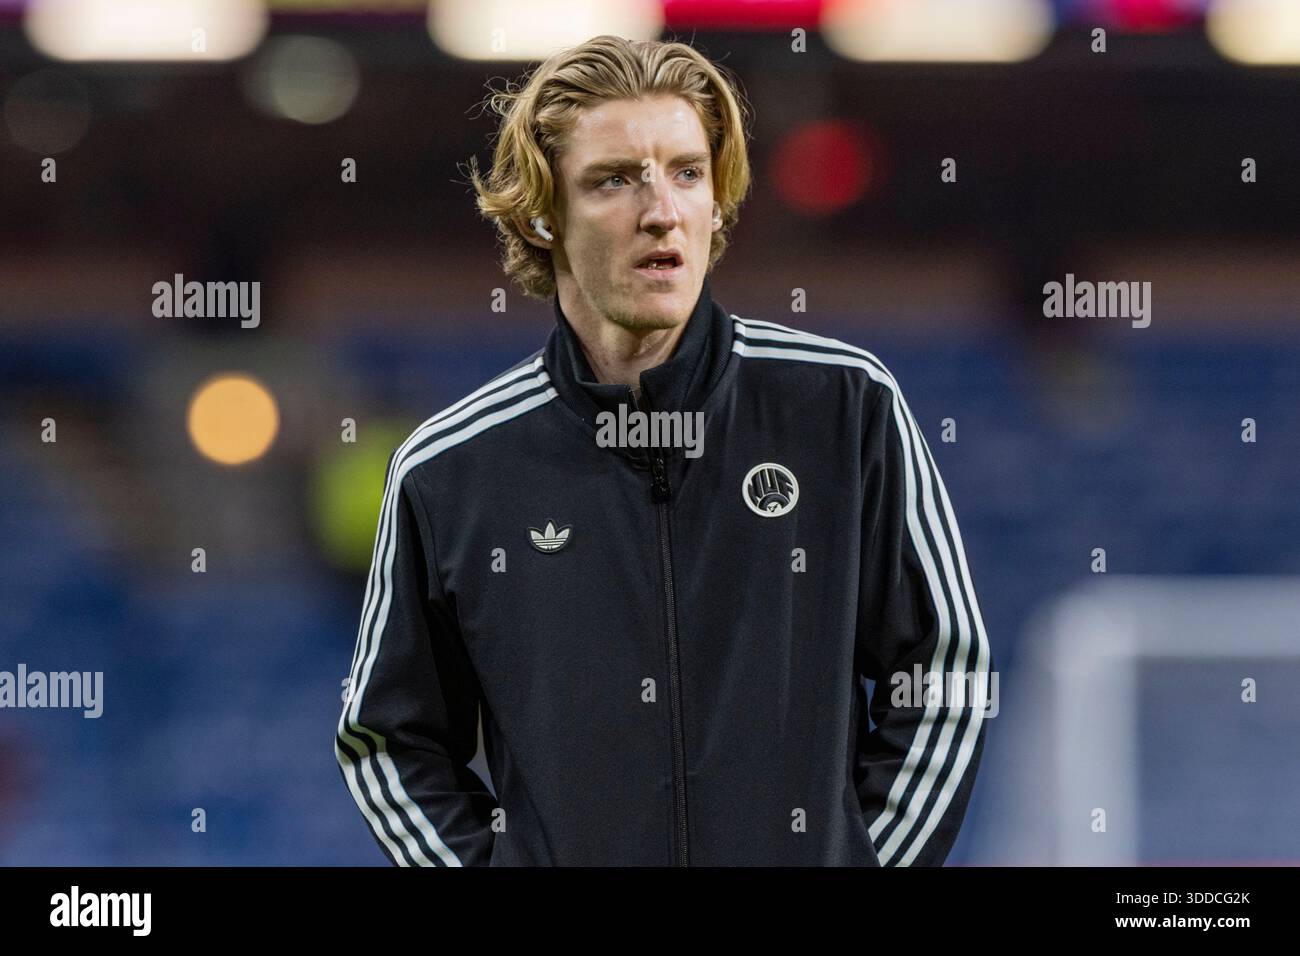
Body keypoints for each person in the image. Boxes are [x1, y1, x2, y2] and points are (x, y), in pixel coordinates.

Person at [335, 34, 992, 866]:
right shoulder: (450, 471)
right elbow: (386, 742)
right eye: (615, 179)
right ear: (543, 214)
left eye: (687, 173)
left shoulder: (841, 407)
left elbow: (945, 678)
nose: (662, 210)